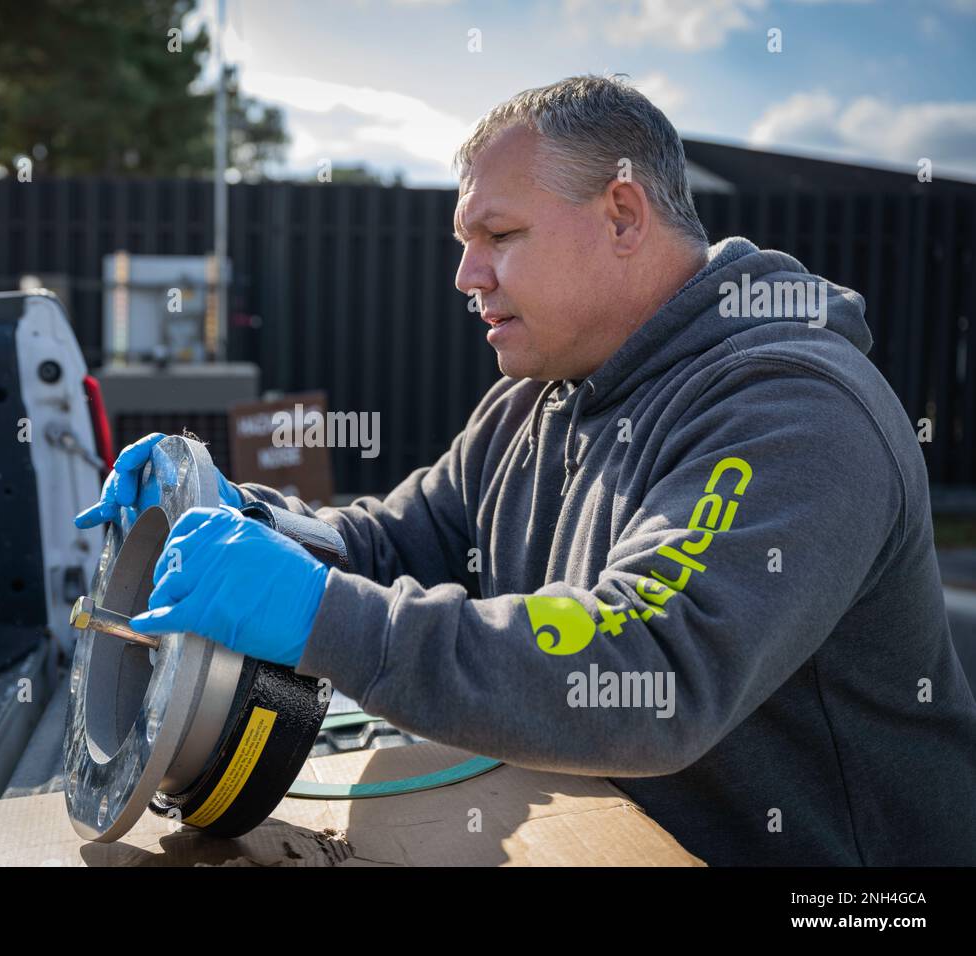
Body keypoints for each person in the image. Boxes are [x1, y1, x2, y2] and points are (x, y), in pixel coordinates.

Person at [75, 75, 976, 866]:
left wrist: (324, 617)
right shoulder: (535, 401)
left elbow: (653, 670)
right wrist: (247, 522)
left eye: (499, 235)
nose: (467, 275)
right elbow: (399, 541)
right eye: (465, 242)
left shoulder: (794, 409)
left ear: (623, 215)